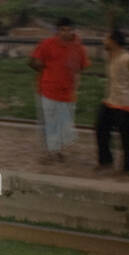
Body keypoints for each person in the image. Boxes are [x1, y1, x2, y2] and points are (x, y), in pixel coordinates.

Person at [29, 17, 89, 163]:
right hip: (48, 89)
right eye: (62, 30)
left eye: (69, 30)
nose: (66, 33)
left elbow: (80, 69)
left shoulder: (78, 48)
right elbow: (33, 61)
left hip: (67, 91)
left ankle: (57, 151)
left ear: (73, 30)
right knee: (49, 123)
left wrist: (76, 87)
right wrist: (46, 71)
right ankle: (49, 153)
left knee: (63, 124)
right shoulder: (47, 44)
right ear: (57, 30)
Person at [96, 30, 129, 174]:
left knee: (126, 135)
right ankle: (105, 160)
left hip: (124, 102)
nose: (104, 41)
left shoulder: (127, 58)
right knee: (100, 129)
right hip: (110, 100)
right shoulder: (110, 56)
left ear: (114, 41)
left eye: (106, 39)